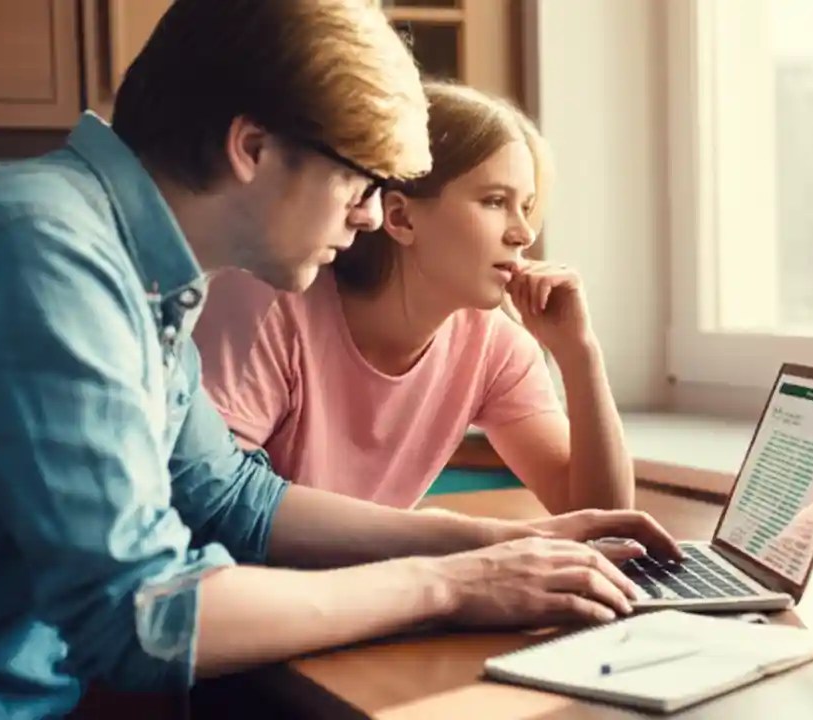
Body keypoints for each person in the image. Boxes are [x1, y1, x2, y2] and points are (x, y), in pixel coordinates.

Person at [0, 2, 680, 717]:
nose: (362, 217)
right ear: (253, 147)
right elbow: (147, 616)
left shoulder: (124, 259)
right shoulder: (49, 250)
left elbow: (230, 496)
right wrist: (451, 584)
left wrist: (480, 547)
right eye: (357, 180)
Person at [194, 82, 633, 513]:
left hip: (377, 580)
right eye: (495, 201)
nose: (524, 233)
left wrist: (579, 353)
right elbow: (212, 505)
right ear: (400, 217)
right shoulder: (270, 303)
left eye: (526, 206)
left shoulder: (496, 347)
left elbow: (601, 515)